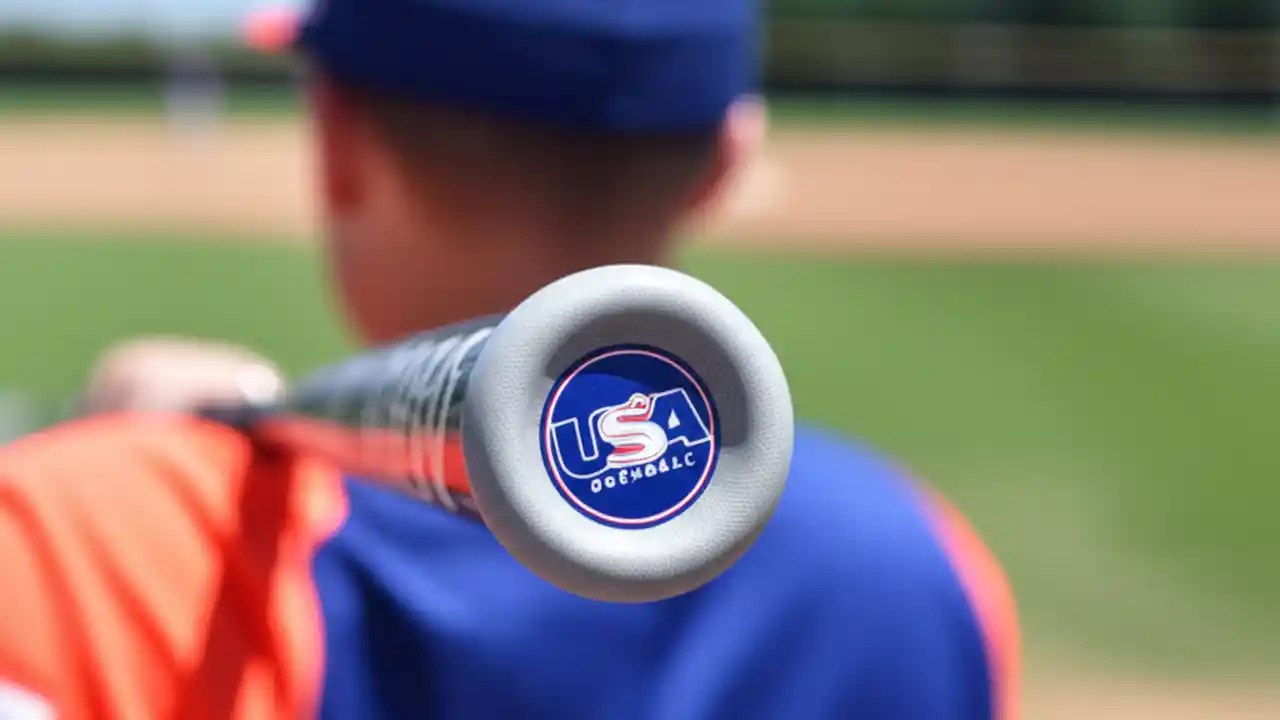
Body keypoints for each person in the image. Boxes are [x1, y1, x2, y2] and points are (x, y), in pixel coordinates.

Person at [0, 0, 1020, 718]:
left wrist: (126, 481)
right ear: (721, 166)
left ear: (337, 141)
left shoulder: (72, 551)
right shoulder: (914, 573)